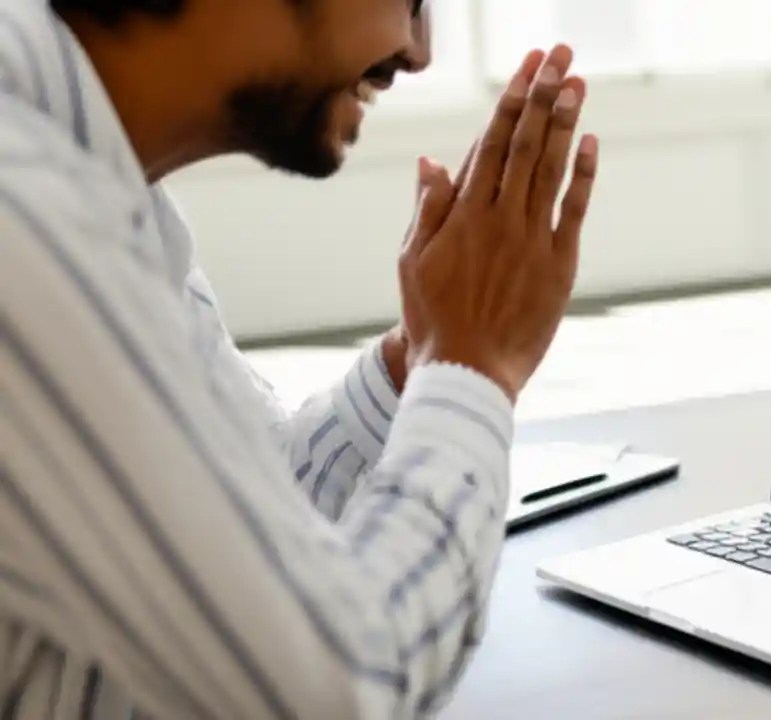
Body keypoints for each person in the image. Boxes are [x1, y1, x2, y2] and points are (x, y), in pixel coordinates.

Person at [0, 0, 598, 716]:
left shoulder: (103, 183)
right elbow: (337, 683)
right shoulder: (25, 219)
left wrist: (418, 360)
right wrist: (473, 370)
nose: (419, 51)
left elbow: (238, 534)